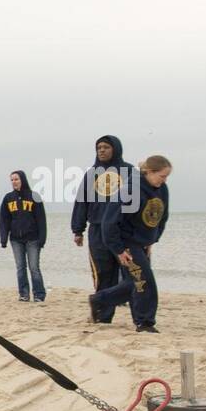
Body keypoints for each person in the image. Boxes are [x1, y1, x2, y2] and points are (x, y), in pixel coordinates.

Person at [90, 156, 171, 333]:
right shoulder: (129, 190)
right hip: (126, 243)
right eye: (162, 176)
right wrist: (118, 250)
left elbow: (161, 217)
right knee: (144, 281)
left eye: (167, 177)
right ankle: (145, 322)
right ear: (149, 172)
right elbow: (109, 223)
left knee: (133, 282)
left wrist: (152, 239)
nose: (164, 180)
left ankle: (100, 300)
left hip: (143, 242)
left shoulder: (162, 189)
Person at [71, 135, 134, 323]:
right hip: (97, 230)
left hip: (123, 231)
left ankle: (139, 317)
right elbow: (81, 202)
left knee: (133, 276)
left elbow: (139, 202)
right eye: (99, 147)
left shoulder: (129, 172)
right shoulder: (91, 174)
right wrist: (78, 229)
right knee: (103, 275)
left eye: (106, 147)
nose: (102, 150)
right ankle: (102, 317)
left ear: (115, 149)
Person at [0, 170, 47, 302]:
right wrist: (3, 239)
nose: (14, 182)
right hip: (16, 239)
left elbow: (41, 219)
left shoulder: (34, 196)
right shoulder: (8, 198)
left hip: (33, 238)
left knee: (34, 267)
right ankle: (24, 294)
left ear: (23, 180)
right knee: (20, 268)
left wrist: (42, 239)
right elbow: (4, 220)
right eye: (12, 180)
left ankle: (39, 294)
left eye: (16, 179)